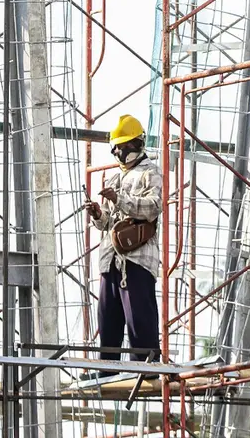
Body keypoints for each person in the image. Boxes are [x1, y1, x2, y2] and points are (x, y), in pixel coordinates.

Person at [86, 114, 162, 368]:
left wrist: (119, 200)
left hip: (137, 258)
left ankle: (145, 368)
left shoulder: (149, 172)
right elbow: (106, 223)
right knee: (108, 316)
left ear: (135, 144)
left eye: (123, 146)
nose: (119, 151)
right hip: (111, 258)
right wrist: (98, 213)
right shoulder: (113, 177)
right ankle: (107, 368)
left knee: (139, 316)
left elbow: (152, 208)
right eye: (117, 147)